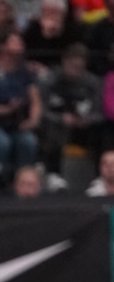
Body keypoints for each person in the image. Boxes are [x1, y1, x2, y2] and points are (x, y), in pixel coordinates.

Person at [0, 31, 41, 188]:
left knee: (28, 141)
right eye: (15, 42)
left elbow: (35, 100)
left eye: (20, 42)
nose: (20, 45)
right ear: (2, 46)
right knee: (1, 142)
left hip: (16, 124)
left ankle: (23, 186)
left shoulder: (25, 72)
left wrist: (33, 120)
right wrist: (7, 109)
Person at [39, 42, 102, 191]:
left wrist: (88, 120)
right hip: (57, 124)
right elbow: (41, 110)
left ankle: (100, 179)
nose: (75, 68)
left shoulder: (93, 83)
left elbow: (100, 113)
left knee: (103, 132)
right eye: (72, 64)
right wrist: (61, 118)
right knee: (52, 128)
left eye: (79, 65)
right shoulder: (50, 79)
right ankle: (54, 175)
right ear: (64, 61)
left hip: (83, 127)